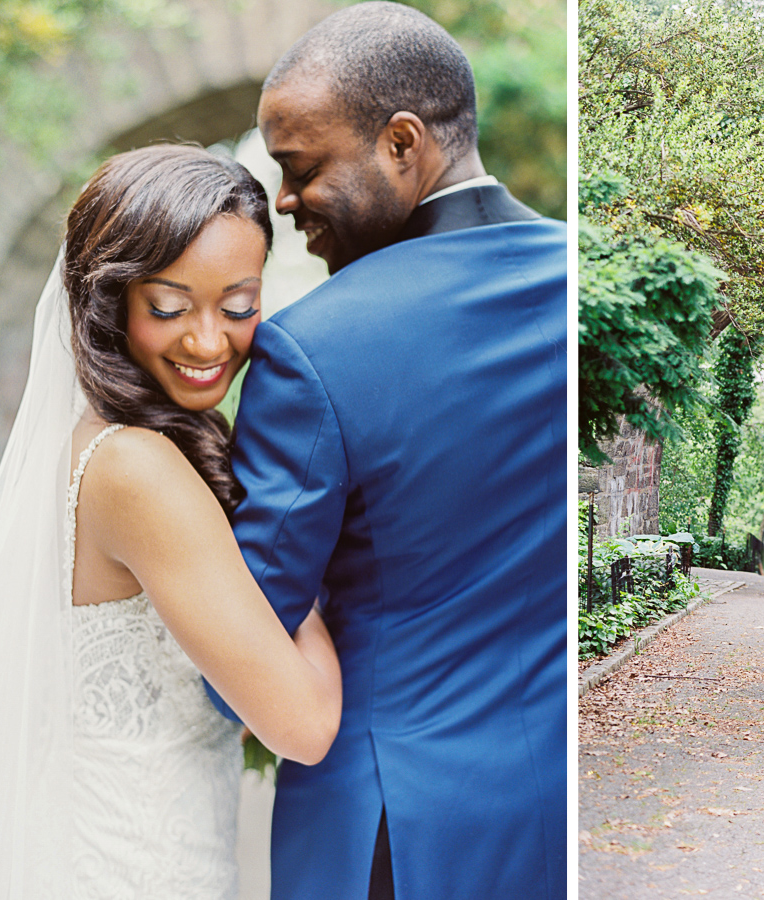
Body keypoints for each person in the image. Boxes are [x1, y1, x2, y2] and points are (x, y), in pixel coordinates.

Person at [0, 145, 343, 898]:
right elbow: (303, 724)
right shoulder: (136, 469)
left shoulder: (95, 450)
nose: (208, 341)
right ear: (110, 302)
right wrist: (307, 573)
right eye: (168, 307)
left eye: (238, 306)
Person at [203, 4, 567, 898]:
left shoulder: (309, 349)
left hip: (393, 834)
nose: (284, 201)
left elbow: (248, 649)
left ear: (402, 145)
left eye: (300, 169)